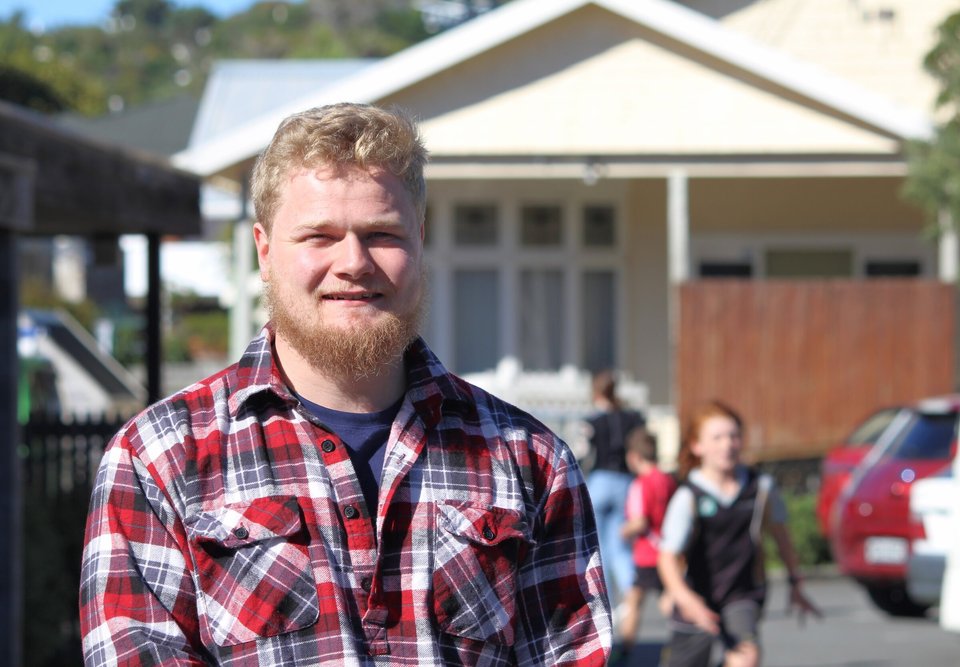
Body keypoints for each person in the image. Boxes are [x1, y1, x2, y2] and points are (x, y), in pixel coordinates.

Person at [79, 102, 612, 666]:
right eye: (320, 236)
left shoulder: (531, 459)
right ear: (264, 250)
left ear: (420, 241)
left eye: (382, 233)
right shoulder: (159, 458)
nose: (354, 262)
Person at [658, 400, 820, 667]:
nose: (727, 444)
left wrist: (795, 582)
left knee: (746, 657)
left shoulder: (761, 488)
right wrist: (683, 596)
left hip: (742, 593)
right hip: (696, 595)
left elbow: (782, 537)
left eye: (733, 436)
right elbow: (666, 557)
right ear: (697, 446)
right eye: (717, 437)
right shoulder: (688, 495)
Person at [609, 426, 678, 665]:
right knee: (669, 599)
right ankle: (683, 637)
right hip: (669, 551)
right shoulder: (668, 480)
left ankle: (625, 651)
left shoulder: (641, 484)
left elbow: (640, 521)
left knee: (634, 603)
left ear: (634, 456)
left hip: (648, 554)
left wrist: (623, 530)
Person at [580, 370, 645, 606]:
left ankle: (602, 597)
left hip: (599, 481)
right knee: (620, 543)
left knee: (599, 545)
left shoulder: (592, 421)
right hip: (625, 483)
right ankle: (630, 588)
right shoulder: (632, 418)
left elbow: (584, 454)